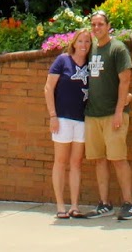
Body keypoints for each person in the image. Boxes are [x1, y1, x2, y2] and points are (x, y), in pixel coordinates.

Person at [84, 10, 132, 220]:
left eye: (100, 24)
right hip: (93, 115)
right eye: (94, 25)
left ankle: (129, 203)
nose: (97, 28)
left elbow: (125, 81)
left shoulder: (118, 49)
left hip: (114, 115)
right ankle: (105, 203)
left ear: (108, 26)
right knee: (99, 160)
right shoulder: (91, 48)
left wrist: (118, 112)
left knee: (118, 159)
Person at [44, 31, 92, 219]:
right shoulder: (62, 60)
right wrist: (52, 115)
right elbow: (48, 88)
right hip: (62, 118)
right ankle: (60, 206)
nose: (84, 44)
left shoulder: (91, 65)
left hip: (82, 119)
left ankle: (74, 206)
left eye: (87, 41)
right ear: (74, 42)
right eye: (80, 40)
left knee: (76, 163)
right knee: (61, 161)